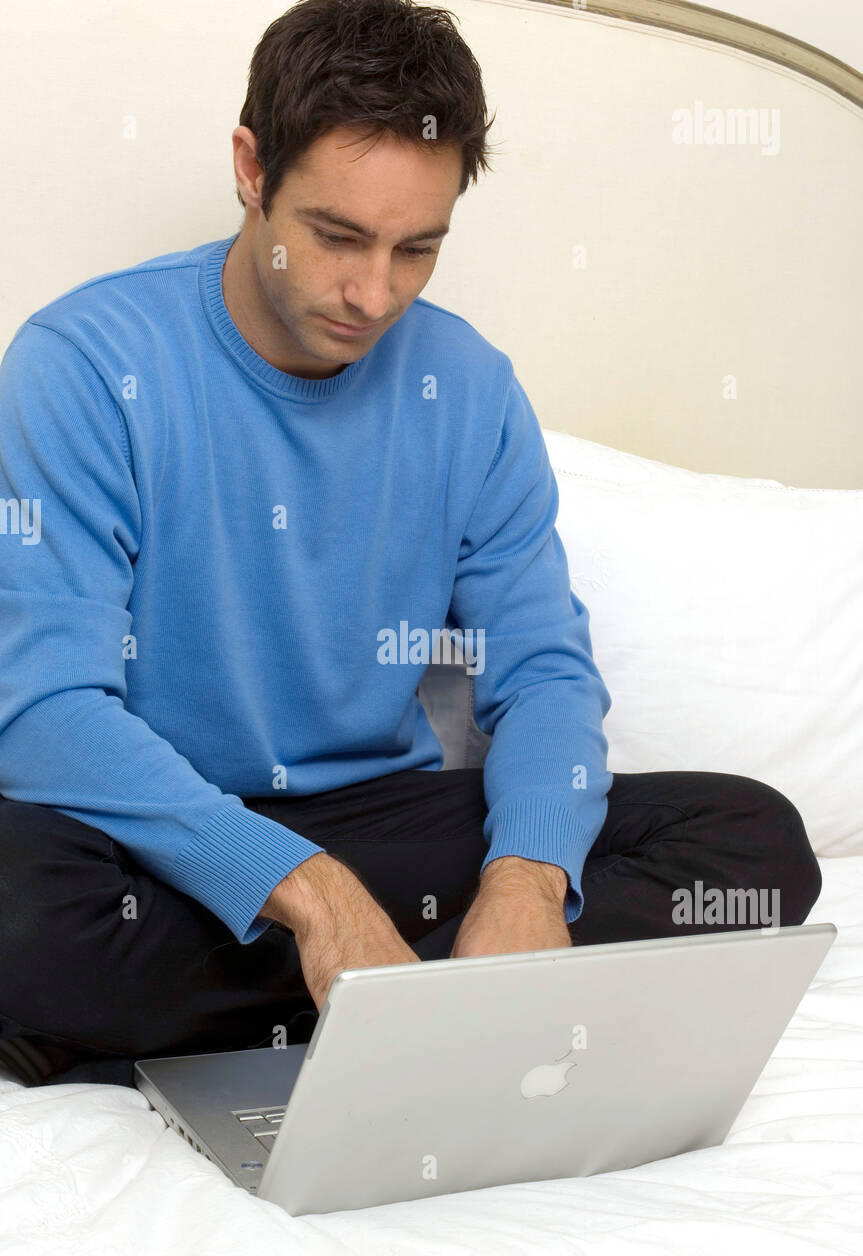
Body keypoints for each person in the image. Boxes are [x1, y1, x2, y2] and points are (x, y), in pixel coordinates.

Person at [0, 0, 821, 1088]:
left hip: (377, 823)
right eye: (337, 236)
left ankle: (235, 1017)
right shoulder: (83, 363)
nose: (372, 292)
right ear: (251, 168)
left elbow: (540, 677)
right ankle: (403, 994)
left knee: (751, 840)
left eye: (416, 248)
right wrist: (311, 893)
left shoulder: (469, 390)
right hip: (162, 832)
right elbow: (44, 715)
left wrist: (525, 885)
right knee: (16, 905)